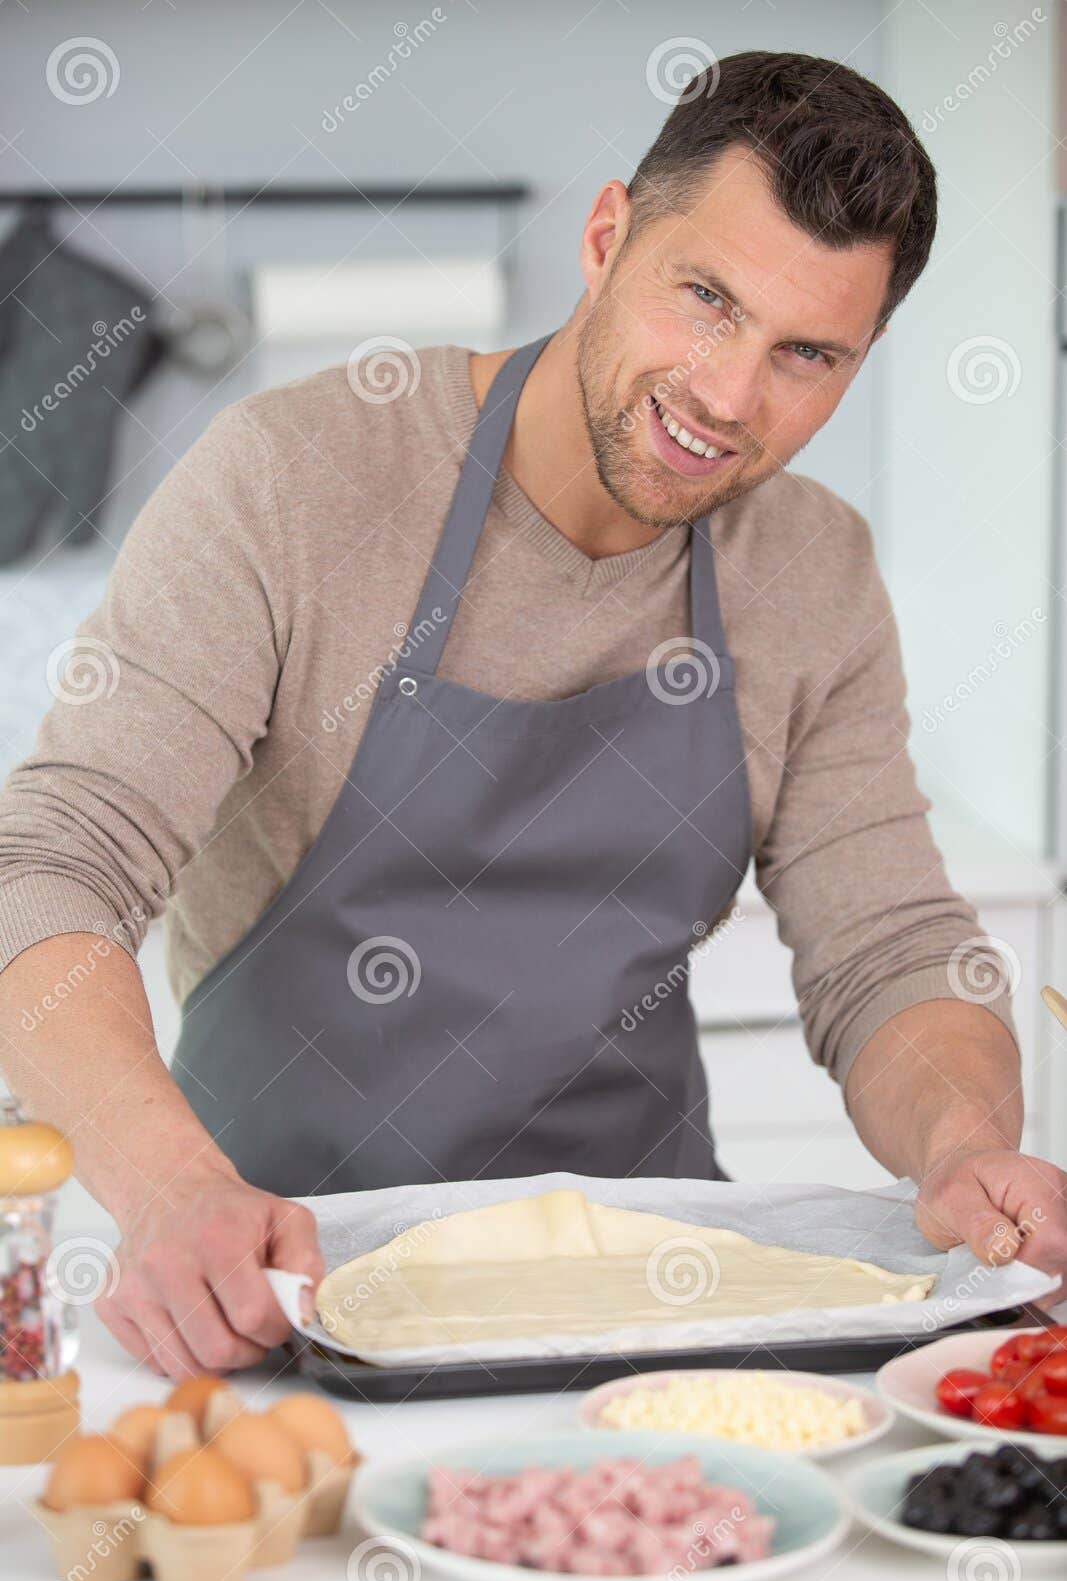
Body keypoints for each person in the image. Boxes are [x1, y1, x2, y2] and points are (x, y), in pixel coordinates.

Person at [0, 51, 1062, 1379]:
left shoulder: (812, 568)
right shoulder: (294, 479)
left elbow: (892, 947)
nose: (729, 398)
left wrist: (964, 1146)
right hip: (277, 1294)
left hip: (662, 1321)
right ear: (607, 236)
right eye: (707, 300)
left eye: (807, 354)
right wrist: (168, 1187)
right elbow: (49, 868)